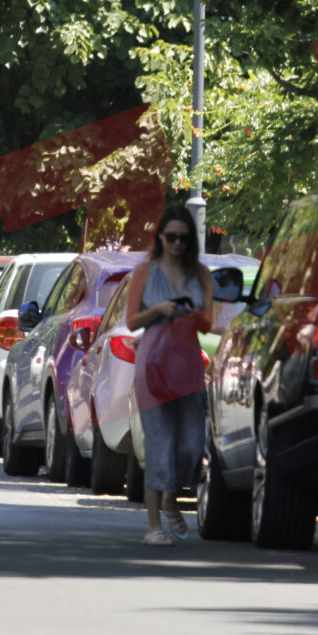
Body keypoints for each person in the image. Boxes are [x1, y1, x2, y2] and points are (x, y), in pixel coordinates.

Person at [125, 205, 214, 545]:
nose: (177, 243)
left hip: (188, 365)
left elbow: (207, 323)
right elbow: (132, 321)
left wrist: (191, 312)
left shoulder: (200, 274)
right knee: (159, 442)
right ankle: (153, 527)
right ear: (160, 237)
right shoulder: (145, 273)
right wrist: (159, 310)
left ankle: (170, 499)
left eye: (183, 238)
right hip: (153, 365)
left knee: (191, 446)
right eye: (171, 237)